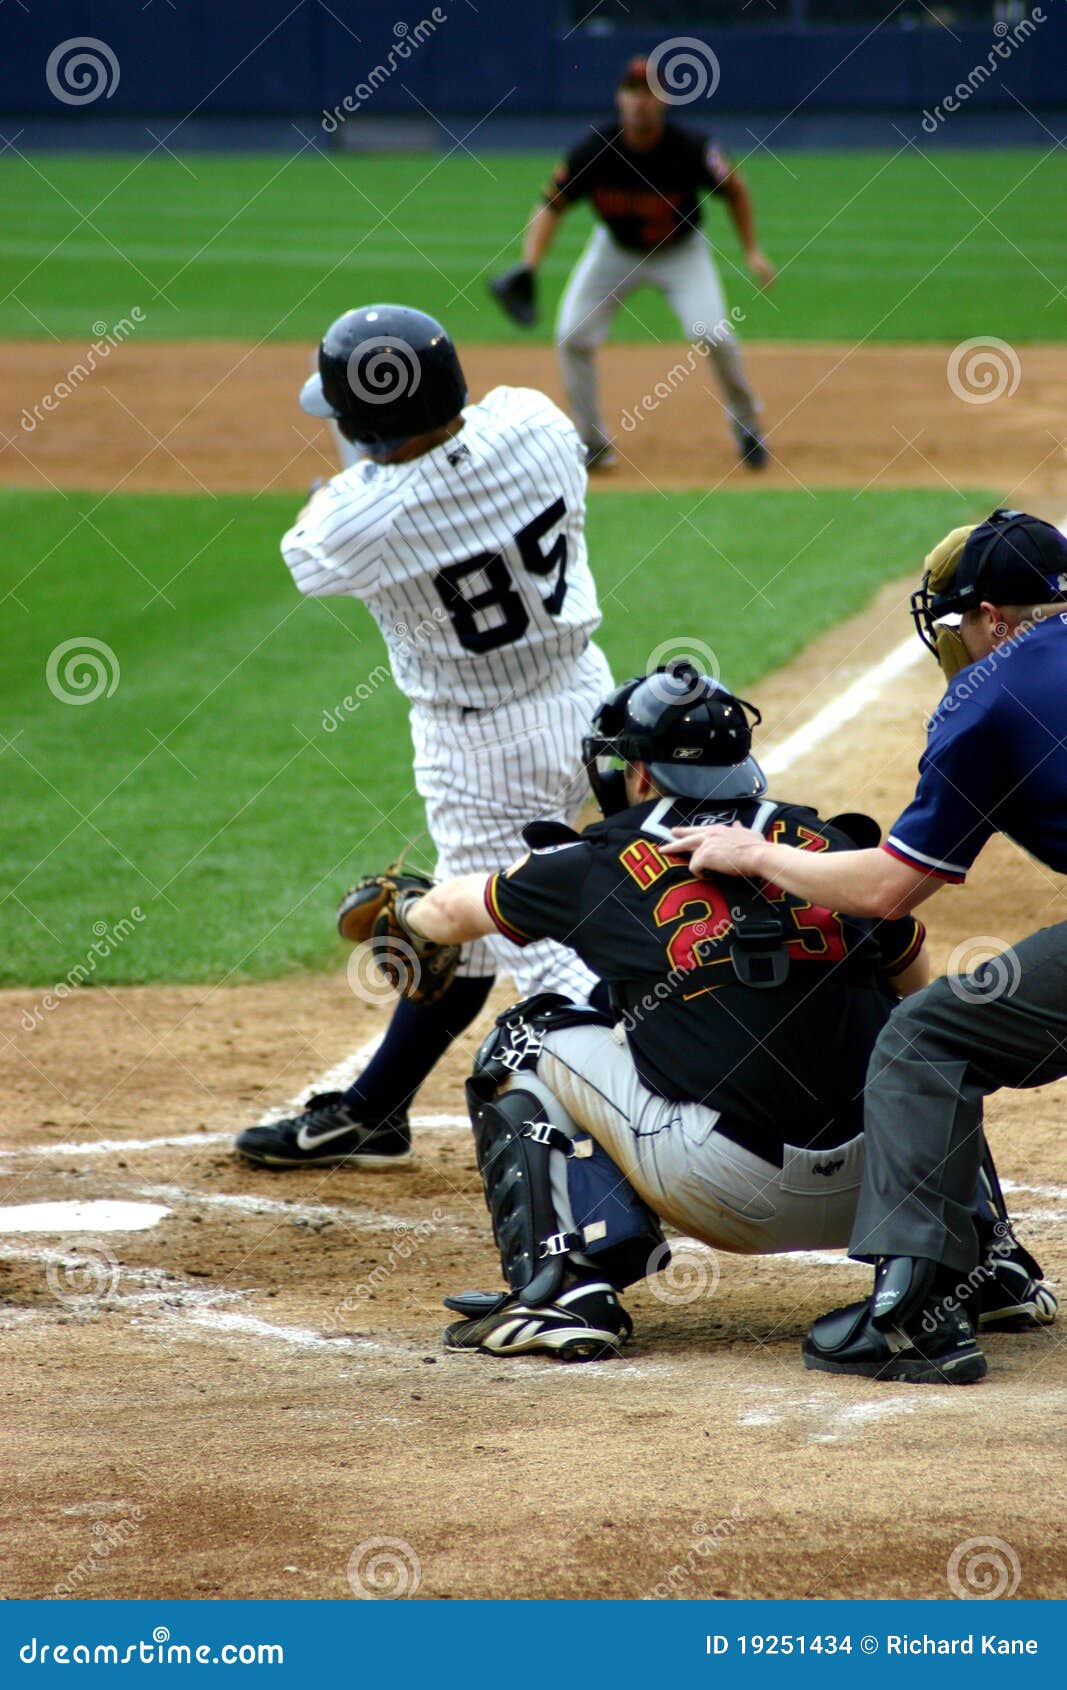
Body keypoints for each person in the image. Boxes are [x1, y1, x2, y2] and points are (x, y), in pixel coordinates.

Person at [371, 661, 1049, 1363]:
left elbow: (451, 914)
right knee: (923, 1043)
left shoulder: (595, 861)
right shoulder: (825, 844)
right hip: (886, 1191)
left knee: (528, 1032)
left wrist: (402, 911)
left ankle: (563, 1288)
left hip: (722, 1188)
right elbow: (910, 977)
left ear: (637, 775)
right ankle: (983, 1262)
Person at [670, 509, 1066, 1383]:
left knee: (928, 1037)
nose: (956, 638)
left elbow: (890, 888)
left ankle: (912, 1316)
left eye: (960, 620)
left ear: (993, 617)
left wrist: (755, 853)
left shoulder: (988, 695)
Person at [235, 303, 611, 1170]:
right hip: (590, 704)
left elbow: (315, 532)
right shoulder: (537, 420)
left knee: (541, 953)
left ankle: (650, 1132)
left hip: (481, 749)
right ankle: (373, 1109)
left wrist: (361, 458)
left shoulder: (353, 525)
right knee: (463, 928)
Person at [489, 55, 774, 472]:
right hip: (615, 251)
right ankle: (591, 442)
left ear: (664, 102)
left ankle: (747, 426)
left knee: (713, 335)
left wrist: (752, 249)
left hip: (681, 251)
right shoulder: (595, 149)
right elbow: (551, 204)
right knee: (572, 336)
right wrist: (529, 264)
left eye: (650, 92)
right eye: (633, 91)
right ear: (620, 98)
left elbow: (735, 188)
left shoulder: (691, 147)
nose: (641, 100)